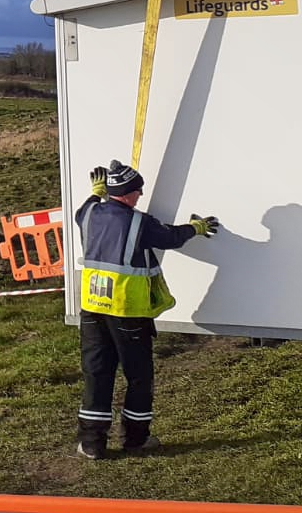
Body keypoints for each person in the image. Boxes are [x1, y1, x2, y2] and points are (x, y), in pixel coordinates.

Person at [74, 161, 218, 459]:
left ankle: (91, 444)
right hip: (127, 311)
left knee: (97, 373)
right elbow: (170, 238)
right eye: (137, 189)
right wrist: (197, 227)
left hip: (92, 309)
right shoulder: (139, 223)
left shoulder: (87, 212)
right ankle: (136, 440)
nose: (141, 193)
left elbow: (88, 205)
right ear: (127, 194)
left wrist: (97, 193)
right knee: (138, 376)